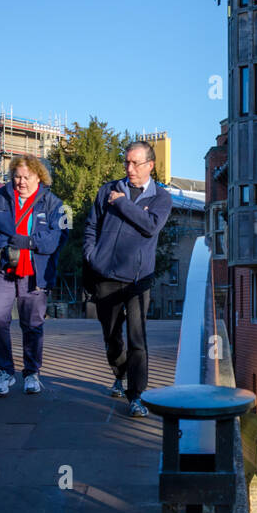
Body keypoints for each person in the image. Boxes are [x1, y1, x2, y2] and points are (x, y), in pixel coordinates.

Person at [84, 140, 173, 417]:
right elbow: (91, 226)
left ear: (150, 165)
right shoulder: (107, 190)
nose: (129, 168)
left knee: (137, 339)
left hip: (138, 279)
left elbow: (150, 226)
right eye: (127, 162)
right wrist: (91, 256)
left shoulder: (161, 198)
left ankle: (137, 396)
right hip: (106, 275)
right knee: (111, 337)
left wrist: (122, 203)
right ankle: (119, 372)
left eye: (135, 163)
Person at [0, 154, 68, 396]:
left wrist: (29, 242)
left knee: (32, 323)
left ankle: (31, 372)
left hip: (35, 271)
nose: (21, 182)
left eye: (27, 177)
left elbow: (58, 237)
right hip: (3, 266)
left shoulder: (54, 203)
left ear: (39, 177)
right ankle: (5, 371)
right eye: (17, 176)